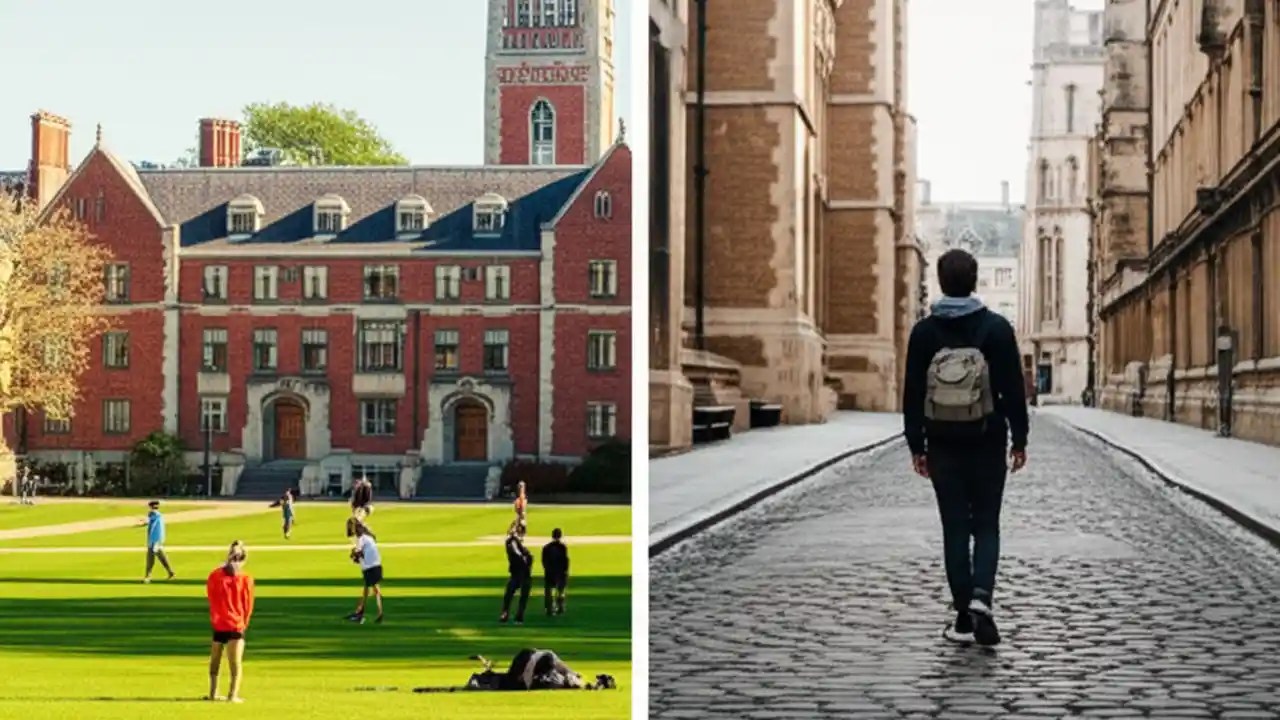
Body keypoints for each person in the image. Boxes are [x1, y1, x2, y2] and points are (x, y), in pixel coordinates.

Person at [901, 248, 1029, 647]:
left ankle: (961, 617)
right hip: (988, 440)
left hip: (942, 443)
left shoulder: (924, 332)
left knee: (955, 526)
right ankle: (981, 600)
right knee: (986, 524)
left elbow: (913, 394)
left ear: (941, 282)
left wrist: (916, 445)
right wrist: (1019, 438)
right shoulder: (996, 328)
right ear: (975, 281)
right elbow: (1012, 388)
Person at [205, 540, 254, 703]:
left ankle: (213, 692)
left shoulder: (216, 576)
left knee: (215, 661)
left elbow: (211, 597)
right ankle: (232, 695)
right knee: (235, 663)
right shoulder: (245, 579)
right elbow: (248, 604)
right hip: (235, 624)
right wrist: (244, 622)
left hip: (219, 623)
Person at [345, 521, 384, 624]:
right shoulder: (369, 538)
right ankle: (377, 612)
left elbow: (357, 554)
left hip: (369, 567)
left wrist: (353, 554)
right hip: (377, 565)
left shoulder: (361, 539)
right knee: (374, 590)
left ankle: (360, 614)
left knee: (368, 591)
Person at [500, 520, 533, 625]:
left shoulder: (513, 542)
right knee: (516, 595)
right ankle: (515, 616)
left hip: (519, 572)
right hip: (520, 572)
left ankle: (511, 615)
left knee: (510, 594)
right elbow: (519, 554)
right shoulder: (513, 542)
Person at [141, 500, 176, 583]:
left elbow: (149, 521)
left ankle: (148, 576)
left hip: (154, 540)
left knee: (151, 558)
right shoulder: (159, 515)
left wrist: (142, 523)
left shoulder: (153, 514)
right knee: (161, 556)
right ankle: (171, 572)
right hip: (157, 539)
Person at [541, 528, 569, 616]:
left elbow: (544, 561)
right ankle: (560, 607)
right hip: (560, 572)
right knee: (560, 591)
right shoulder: (562, 547)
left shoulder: (546, 547)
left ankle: (549, 609)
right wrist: (565, 571)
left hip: (550, 572)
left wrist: (547, 569)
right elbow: (565, 560)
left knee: (548, 592)